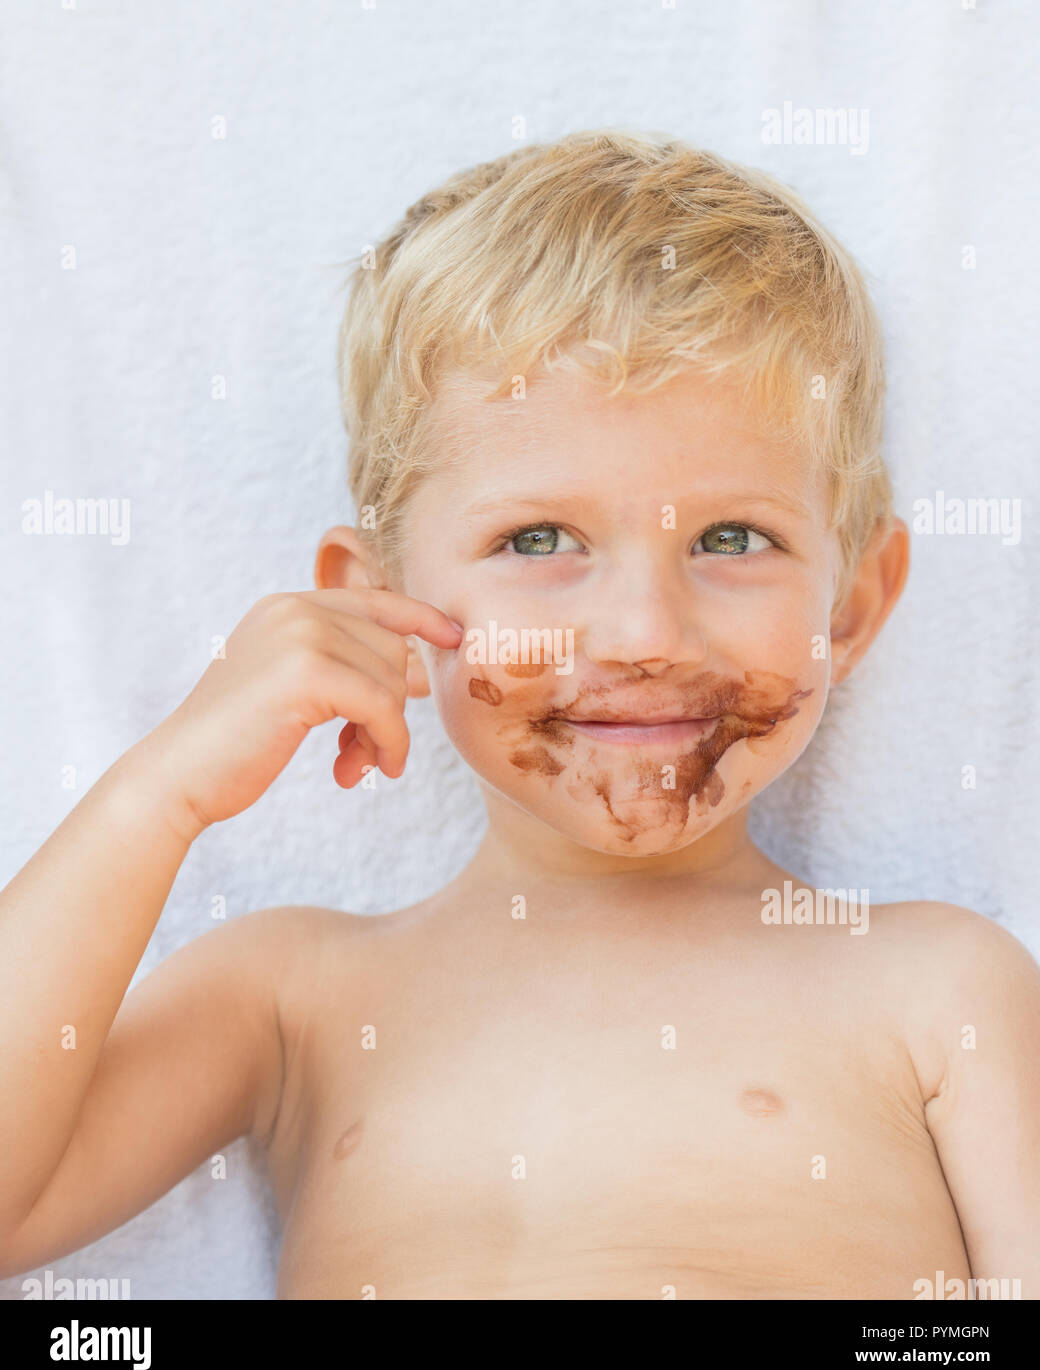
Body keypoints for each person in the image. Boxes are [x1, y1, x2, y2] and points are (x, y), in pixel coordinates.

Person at [3, 129, 1037, 1300]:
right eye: (537, 539)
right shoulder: (296, 995)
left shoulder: (935, 986)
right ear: (378, 605)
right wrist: (157, 793)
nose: (642, 632)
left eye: (730, 537)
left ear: (846, 609)